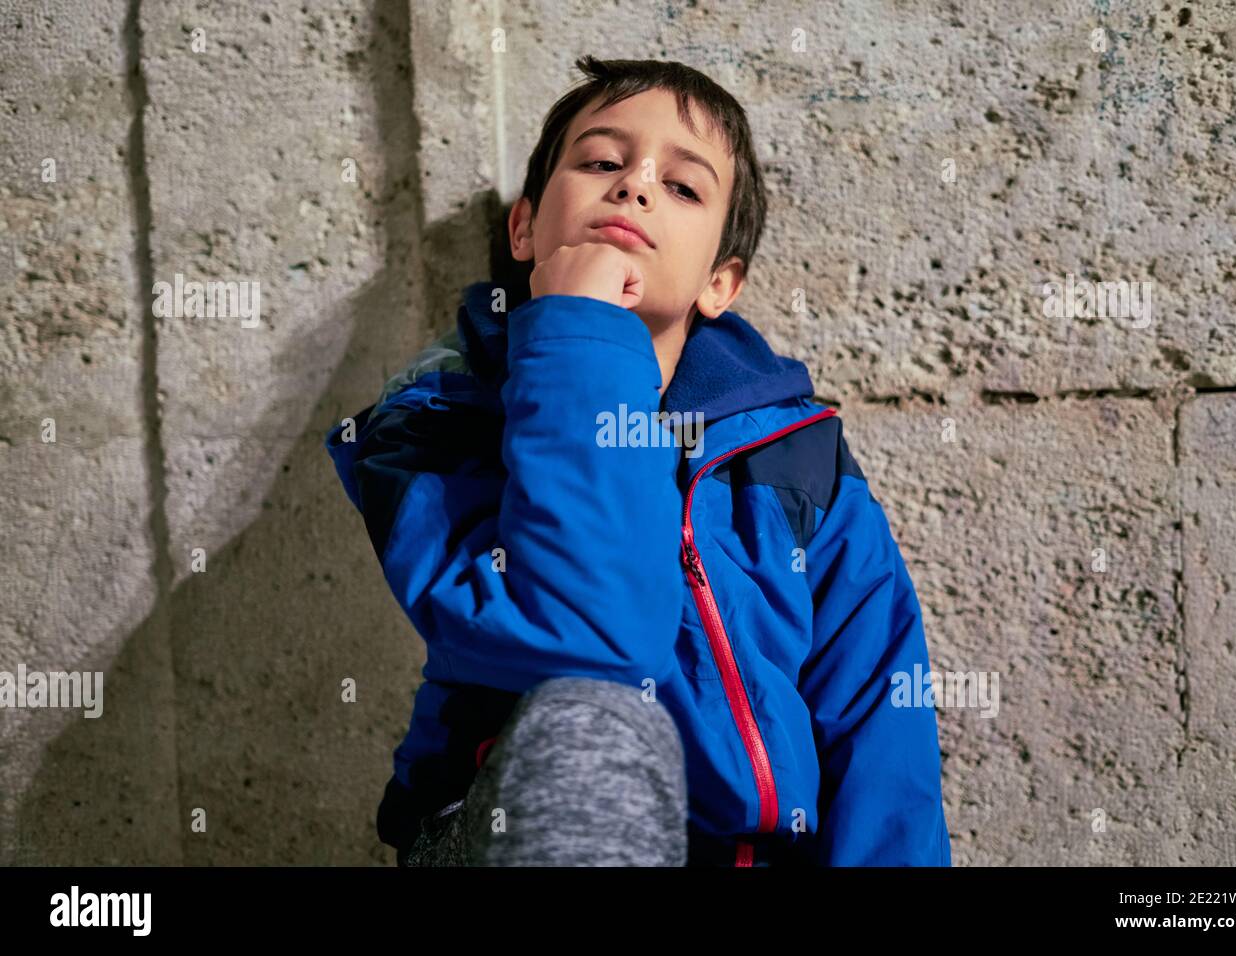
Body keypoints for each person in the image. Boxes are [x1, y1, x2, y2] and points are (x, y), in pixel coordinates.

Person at [325, 55, 951, 867]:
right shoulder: (438, 421)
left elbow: (881, 730)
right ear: (524, 229)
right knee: (591, 731)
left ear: (720, 282)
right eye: (600, 163)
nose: (635, 187)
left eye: (683, 187)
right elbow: (588, 641)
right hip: (525, 832)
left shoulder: (799, 458)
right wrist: (581, 325)